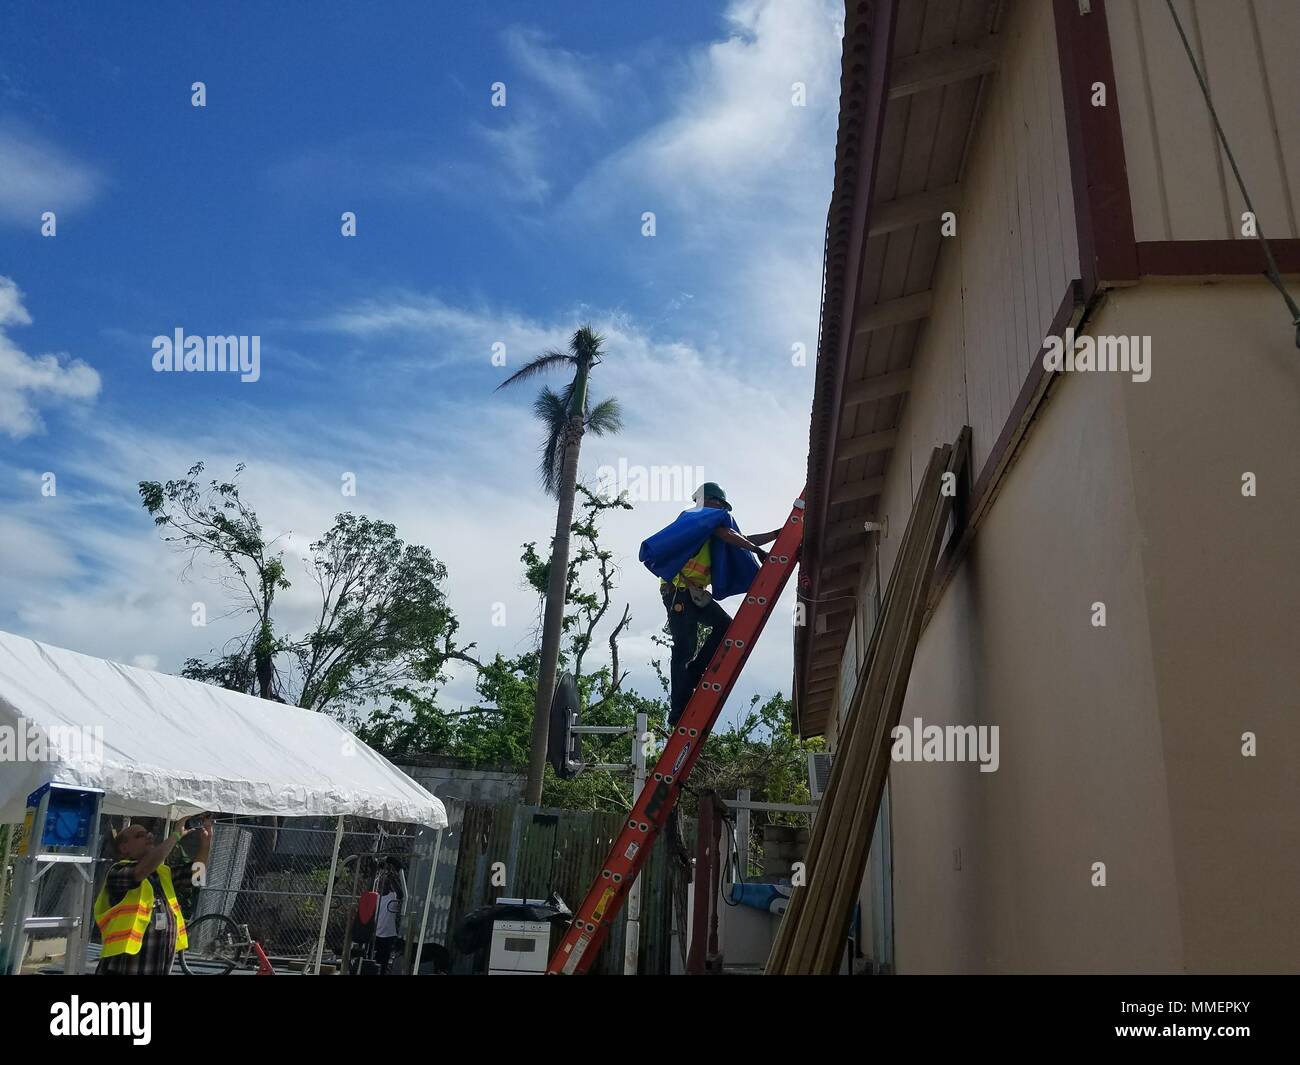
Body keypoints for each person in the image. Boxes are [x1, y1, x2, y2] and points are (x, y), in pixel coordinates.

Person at [640, 482, 780, 725]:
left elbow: (739, 538)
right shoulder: (697, 520)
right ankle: (678, 710)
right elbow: (728, 534)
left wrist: (775, 535)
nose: (723, 512)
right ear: (709, 502)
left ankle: (694, 673)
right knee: (684, 649)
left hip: (694, 594)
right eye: (720, 505)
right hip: (679, 593)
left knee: (725, 627)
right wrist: (756, 549)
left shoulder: (706, 530)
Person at [94, 815, 212, 975]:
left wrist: (205, 844)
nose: (148, 836)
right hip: (124, 968)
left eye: (147, 833)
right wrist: (175, 836)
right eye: (139, 836)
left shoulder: (162, 873)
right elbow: (142, 869)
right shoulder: (117, 872)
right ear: (124, 848)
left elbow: (197, 876)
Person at [372, 857, 406, 975]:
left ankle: (382, 972)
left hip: (388, 934)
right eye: (382, 883)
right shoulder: (376, 897)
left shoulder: (392, 896)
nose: (384, 885)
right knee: (374, 957)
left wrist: (392, 879)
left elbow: (400, 894)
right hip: (376, 933)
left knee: (384, 959)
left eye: (386, 883)